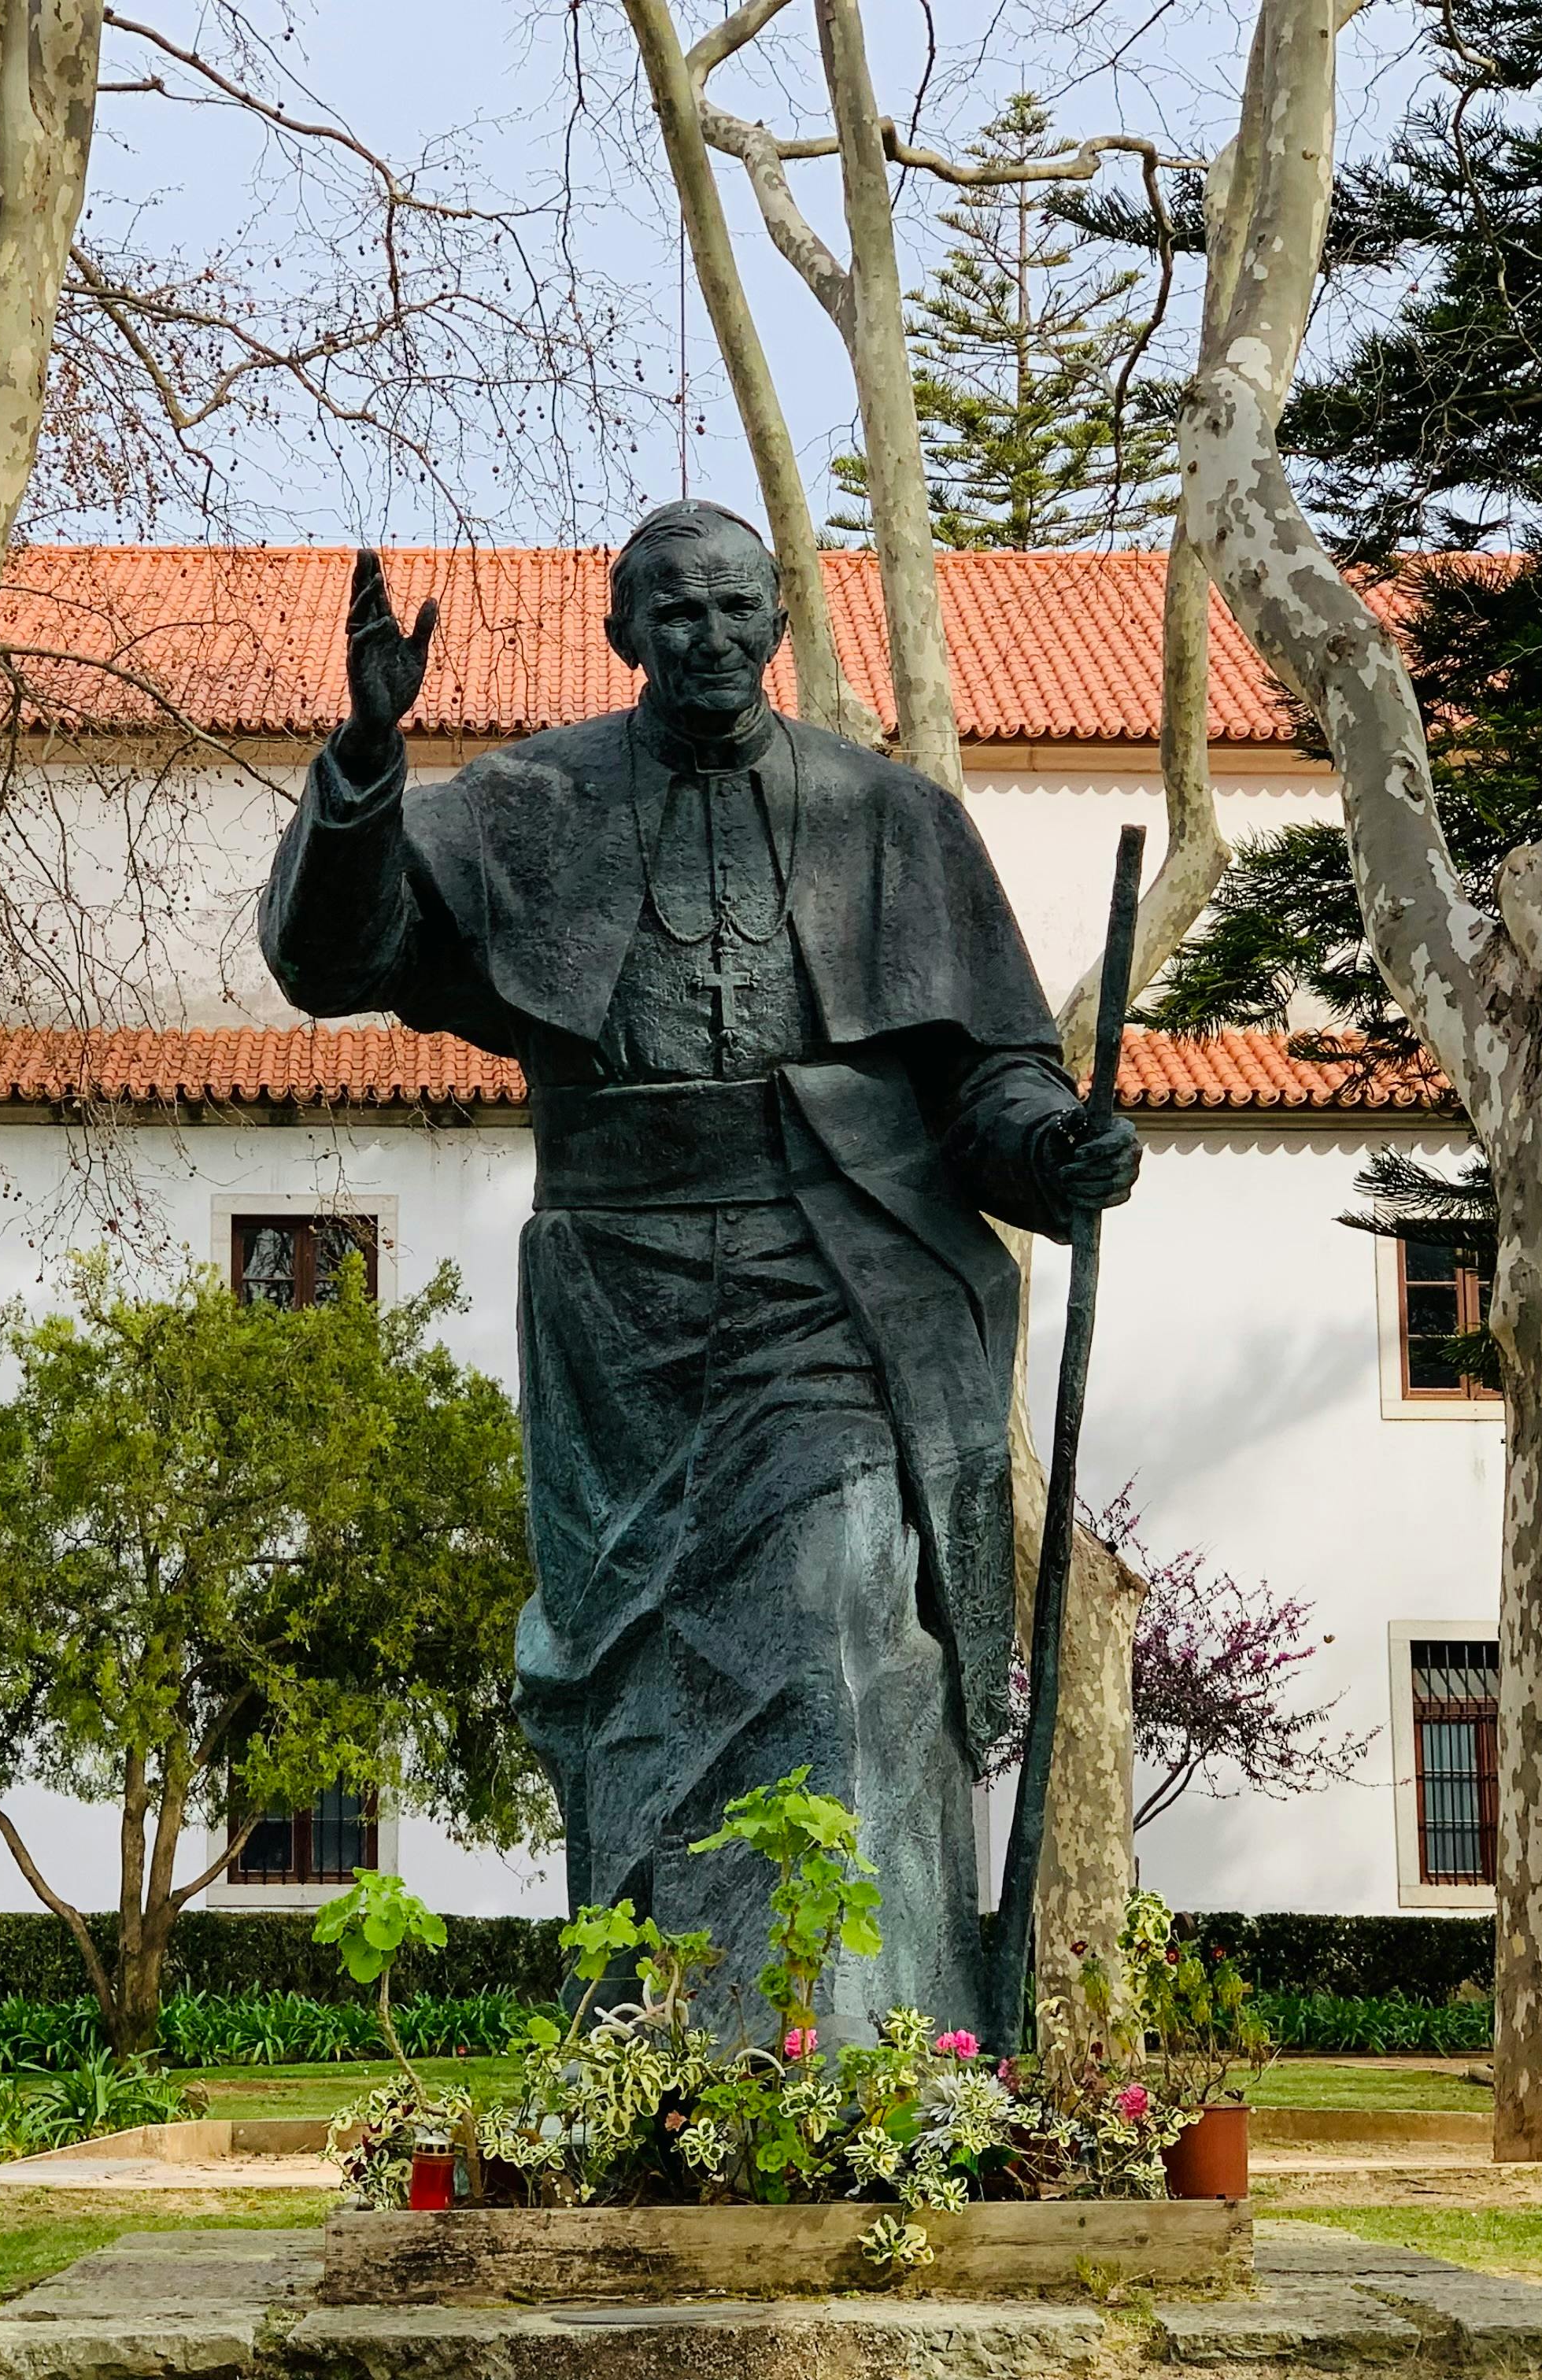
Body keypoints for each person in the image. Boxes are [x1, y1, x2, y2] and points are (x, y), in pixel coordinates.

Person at [261, 503, 1140, 2038]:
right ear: (623, 632)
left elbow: (987, 1078)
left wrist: (1052, 1147)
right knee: (634, 1688)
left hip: (837, 1275)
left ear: (782, 617)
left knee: (846, 1627)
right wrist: (363, 768)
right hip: (619, 1304)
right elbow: (335, 962)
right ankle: (654, 2065)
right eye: (675, 614)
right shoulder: (530, 803)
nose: (710, 639)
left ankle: (863, 2056)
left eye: (737, 609)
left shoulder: (888, 820)